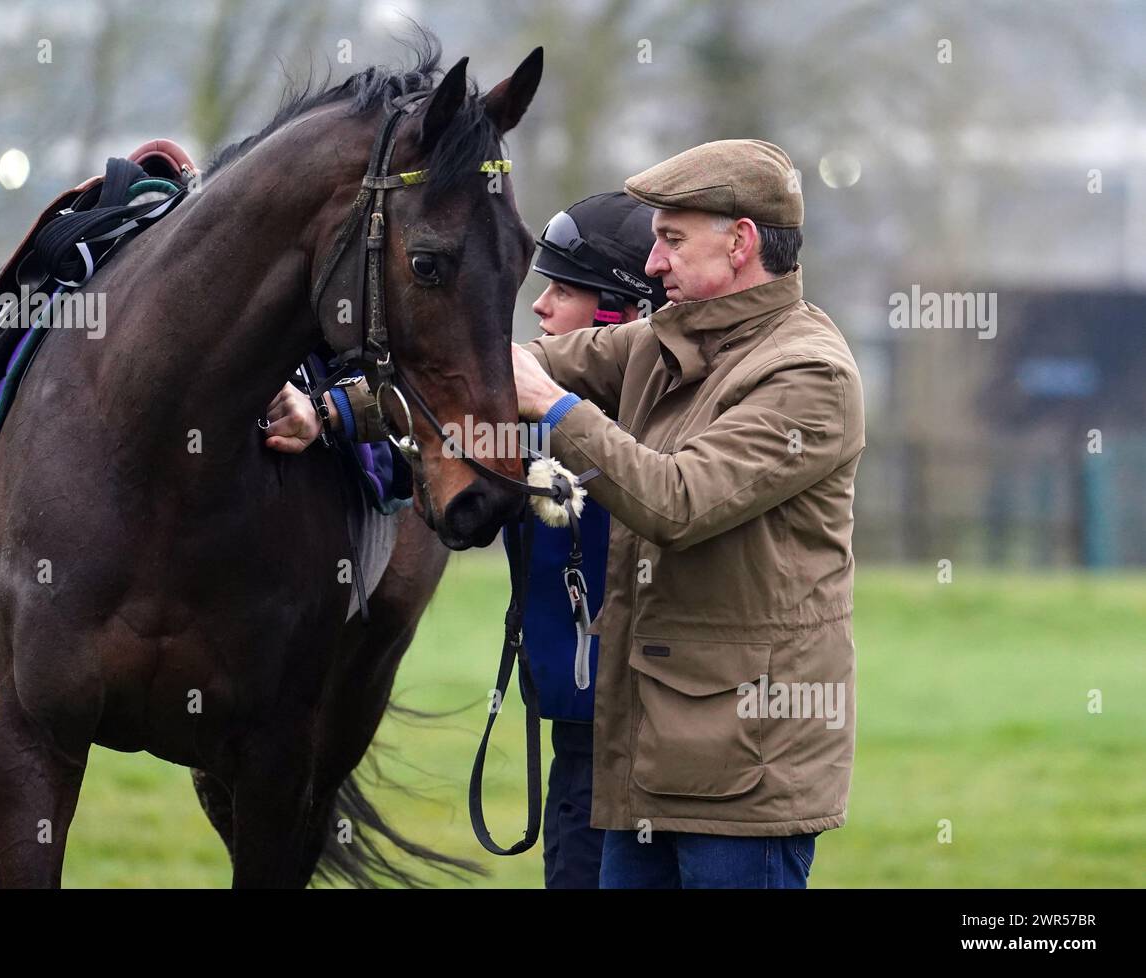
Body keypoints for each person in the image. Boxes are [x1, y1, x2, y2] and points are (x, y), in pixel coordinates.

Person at [263, 191, 665, 889]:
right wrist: (323, 413)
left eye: (563, 291)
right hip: (576, 736)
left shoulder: (676, 412)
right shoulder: (526, 415)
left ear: (619, 315)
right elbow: (431, 443)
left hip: (672, 739)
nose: (539, 308)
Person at [507, 139, 865, 888]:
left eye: (671, 239)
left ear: (739, 243)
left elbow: (676, 501)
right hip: (648, 760)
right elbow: (503, 369)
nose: (651, 264)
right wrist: (332, 413)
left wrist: (555, 409)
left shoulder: (807, 375)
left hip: (745, 778)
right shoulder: (667, 339)